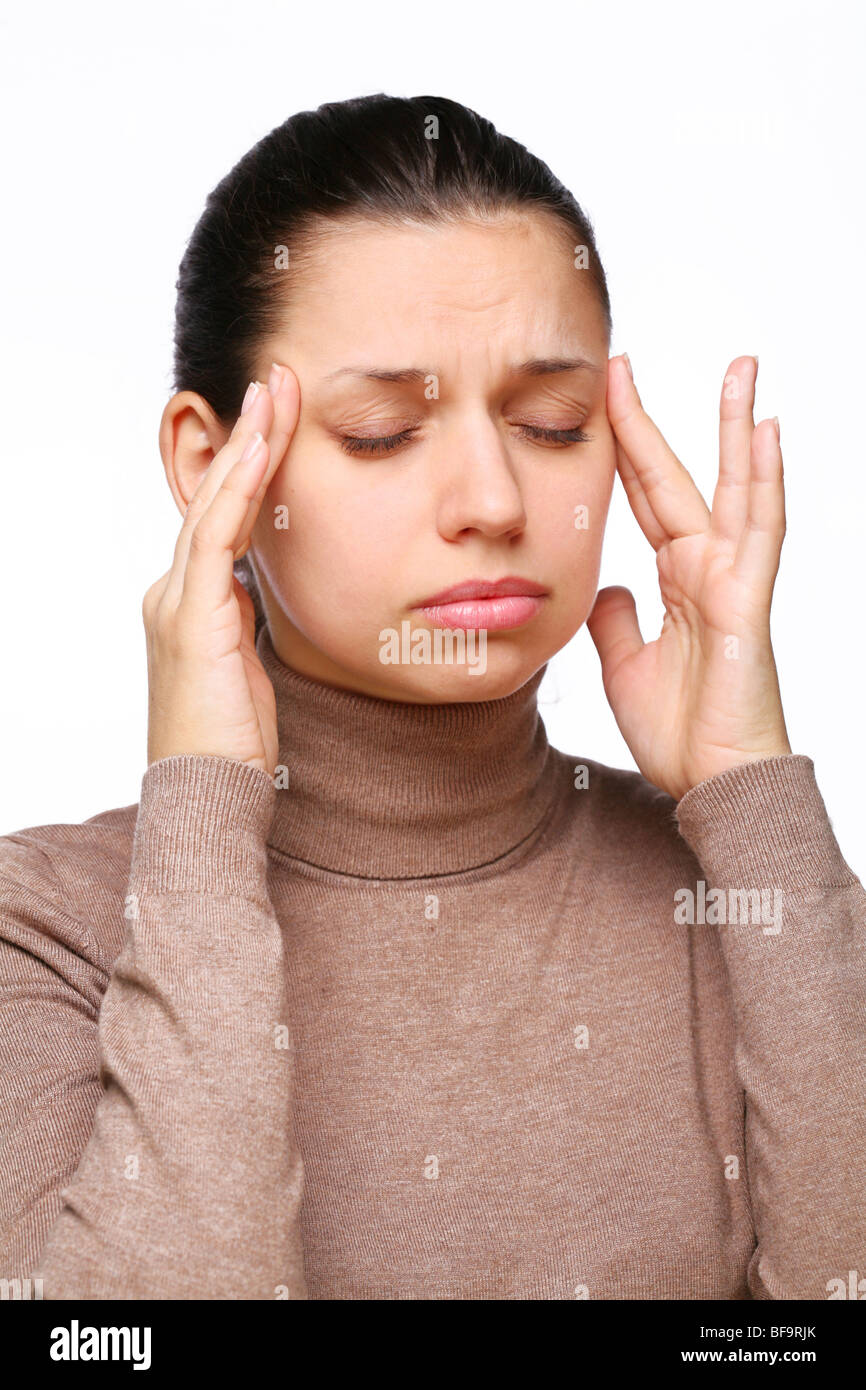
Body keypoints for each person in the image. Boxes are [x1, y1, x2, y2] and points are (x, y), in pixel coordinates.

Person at [1, 93, 863, 1301]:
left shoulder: (737, 895)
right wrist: (199, 806)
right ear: (213, 468)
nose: (493, 500)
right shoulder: (40, 930)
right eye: (380, 432)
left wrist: (753, 794)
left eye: (552, 423)